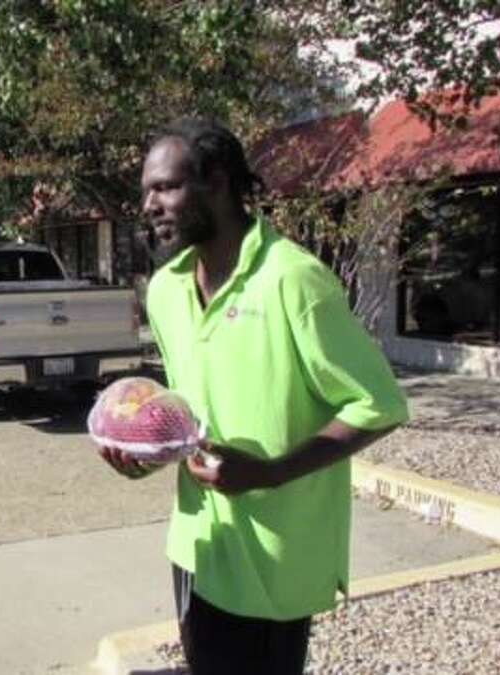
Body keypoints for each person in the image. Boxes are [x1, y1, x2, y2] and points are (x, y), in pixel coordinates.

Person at [100, 118, 409, 674]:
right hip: (196, 542)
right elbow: (186, 410)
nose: (149, 204)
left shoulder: (294, 279)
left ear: (217, 182)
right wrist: (149, 453)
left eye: (165, 187)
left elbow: (378, 403)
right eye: (147, 190)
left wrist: (270, 472)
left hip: (272, 556)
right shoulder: (168, 290)